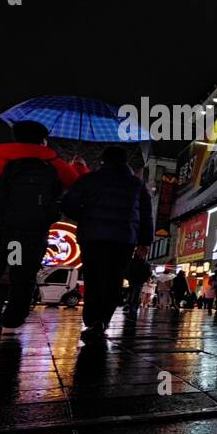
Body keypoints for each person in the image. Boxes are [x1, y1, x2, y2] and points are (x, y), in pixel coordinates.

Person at [0, 120, 84, 335]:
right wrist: (78, 167)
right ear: (43, 139)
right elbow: (78, 187)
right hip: (31, 231)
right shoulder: (53, 163)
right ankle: (13, 318)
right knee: (23, 273)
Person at [54, 146, 154, 343]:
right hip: (124, 239)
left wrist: (84, 216)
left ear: (103, 161)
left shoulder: (88, 180)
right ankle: (102, 321)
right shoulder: (137, 184)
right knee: (113, 278)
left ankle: (92, 320)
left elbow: (68, 205)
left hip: (92, 236)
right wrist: (144, 241)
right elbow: (146, 215)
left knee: (94, 278)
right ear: (125, 162)